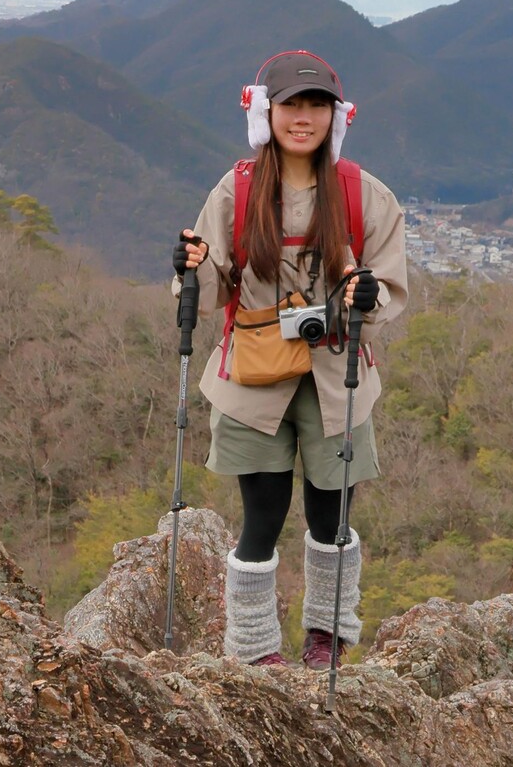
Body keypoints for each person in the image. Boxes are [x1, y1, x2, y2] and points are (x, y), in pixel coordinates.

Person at [172, 50, 408, 669]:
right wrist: (191, 267)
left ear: (336, 116)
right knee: (262, 516)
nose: (303, 118)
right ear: (265, 112)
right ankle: (254, 649)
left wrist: (365, 297)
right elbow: (210, 285)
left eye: (316, 106)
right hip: (254, 374)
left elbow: (388, 289)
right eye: (291, 105)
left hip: (337, 371)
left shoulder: (363, 195)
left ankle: (326, 638)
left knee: (333, 516)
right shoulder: (237, 190)